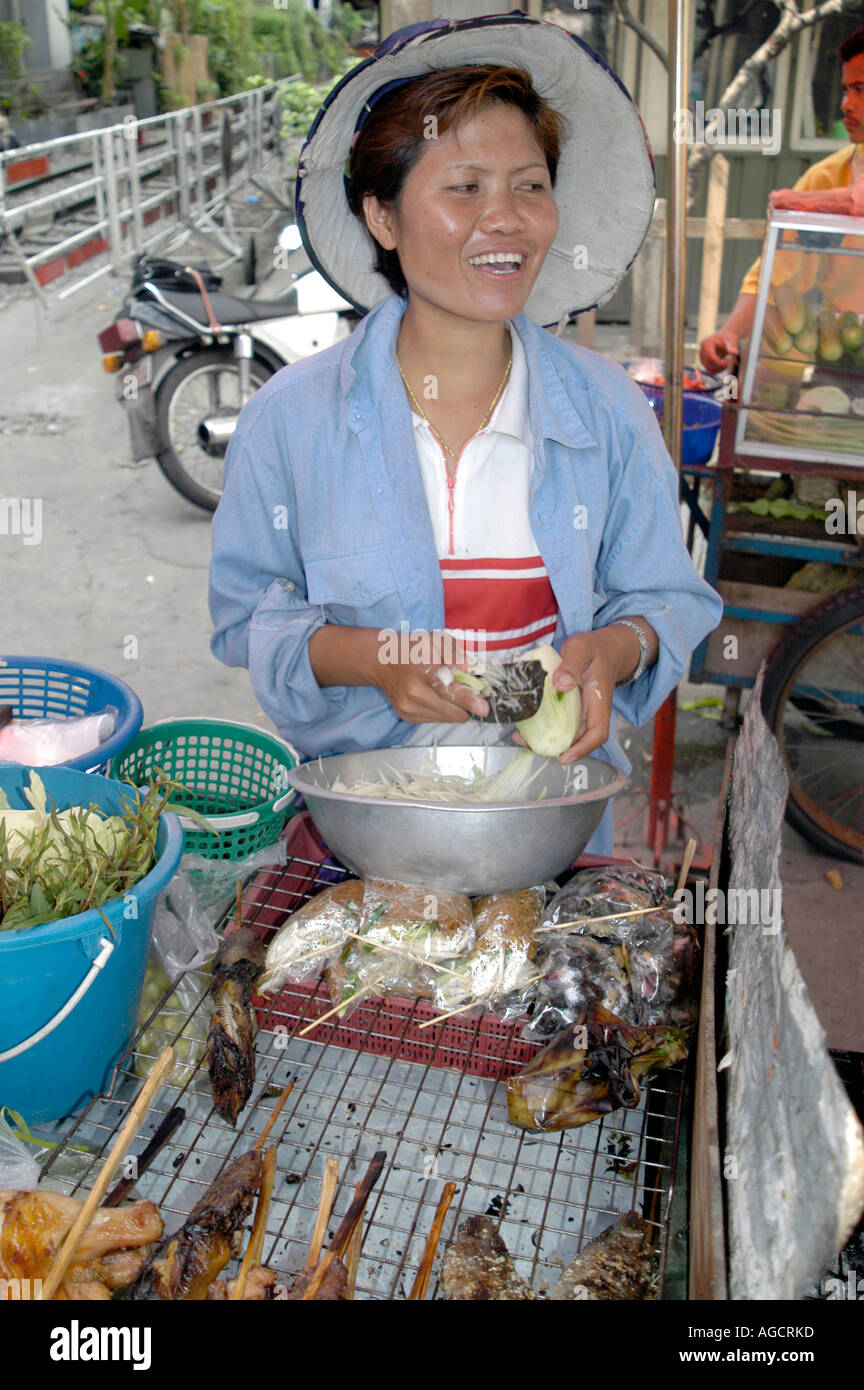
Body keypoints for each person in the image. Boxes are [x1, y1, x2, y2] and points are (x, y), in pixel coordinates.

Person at [209, 14, 722, 856]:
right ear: (382, 215)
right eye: (464, 187)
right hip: (364, 832)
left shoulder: (607, 412)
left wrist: (614, 650)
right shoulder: (292, 421)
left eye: (529, 186)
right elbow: (247, 619)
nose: (508, 221)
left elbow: (668, 601)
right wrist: (373, 657)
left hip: (553, 831)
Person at [700, 23, 864, 375]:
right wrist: (729, 334)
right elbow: (775, 279)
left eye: (861, 90)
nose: (846, 105)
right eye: (846, 90)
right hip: (844, 364)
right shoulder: (824, 179)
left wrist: (798, 200)